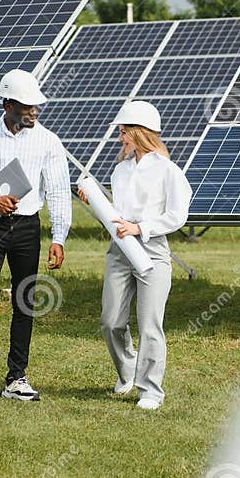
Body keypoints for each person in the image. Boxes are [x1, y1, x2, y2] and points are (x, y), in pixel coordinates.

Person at [0, 69, 71, 402]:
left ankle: (16, 377)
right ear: (7, 104)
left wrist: (58, 237)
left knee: (25, 302)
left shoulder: (48, 141)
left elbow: (60, 191)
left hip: (28, 228)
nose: (34, 111)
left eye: (36, 105)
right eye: (26, 105)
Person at [78, 101, 192, 410]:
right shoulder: (120, 170)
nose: (120, 139)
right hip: (119, 251)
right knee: (110, 320)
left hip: (152, 251)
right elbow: (117, 216)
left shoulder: (169, 171)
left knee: (149, 324)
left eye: (124, 132)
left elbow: (177, 216)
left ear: (140, 133)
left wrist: (140, 228)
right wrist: (95, 200)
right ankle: (127, 371)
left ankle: (151, 390)